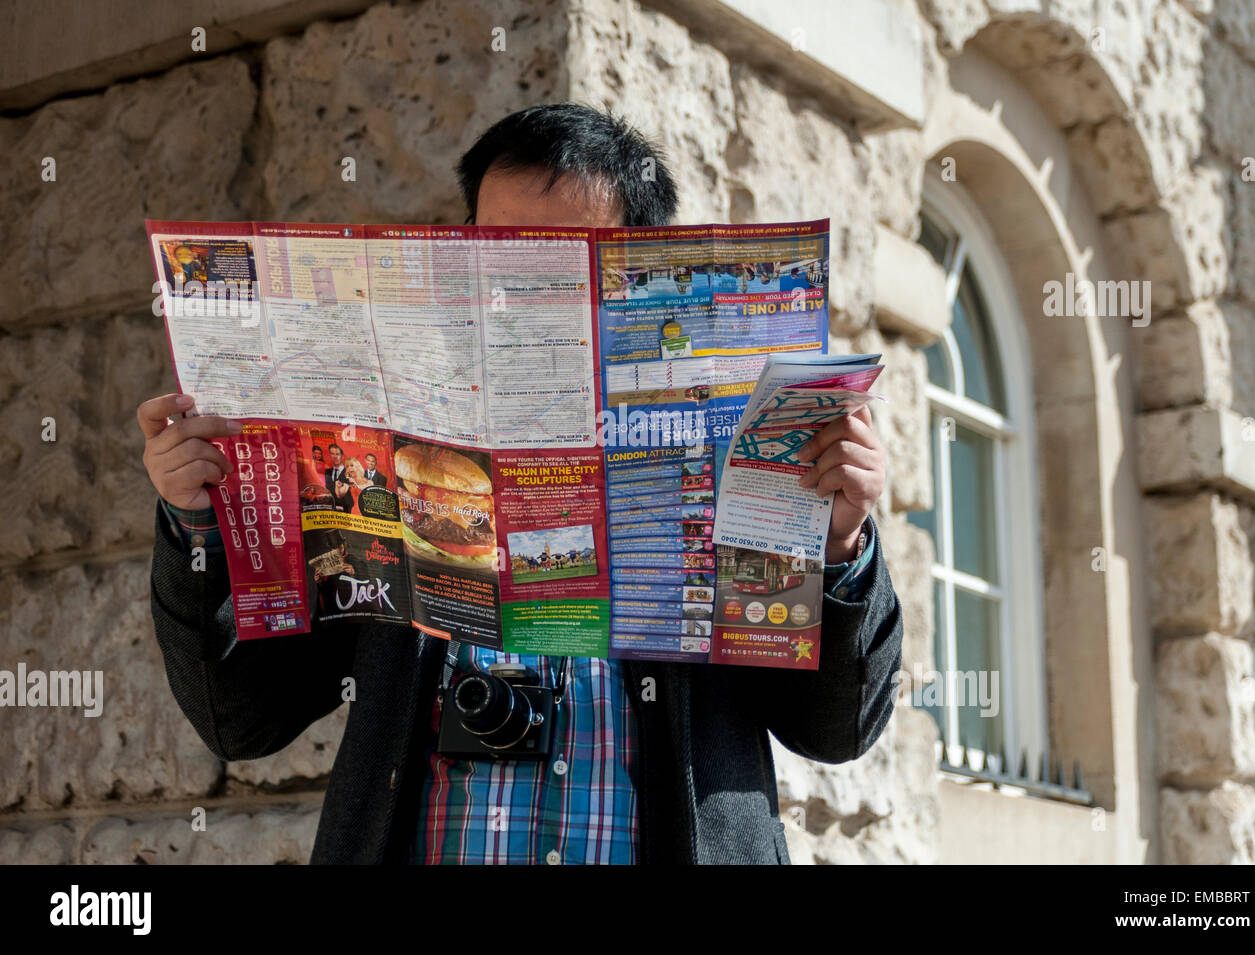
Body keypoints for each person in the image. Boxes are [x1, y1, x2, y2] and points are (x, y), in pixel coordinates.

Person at [139, 102, 903, 865]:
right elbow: (239, 719)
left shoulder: (732, 436)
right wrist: (196, 524)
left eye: (555, 260)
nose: (511, 291)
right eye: (492, 251)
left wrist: (838, 546)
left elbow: (838, 729)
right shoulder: (384, 434)